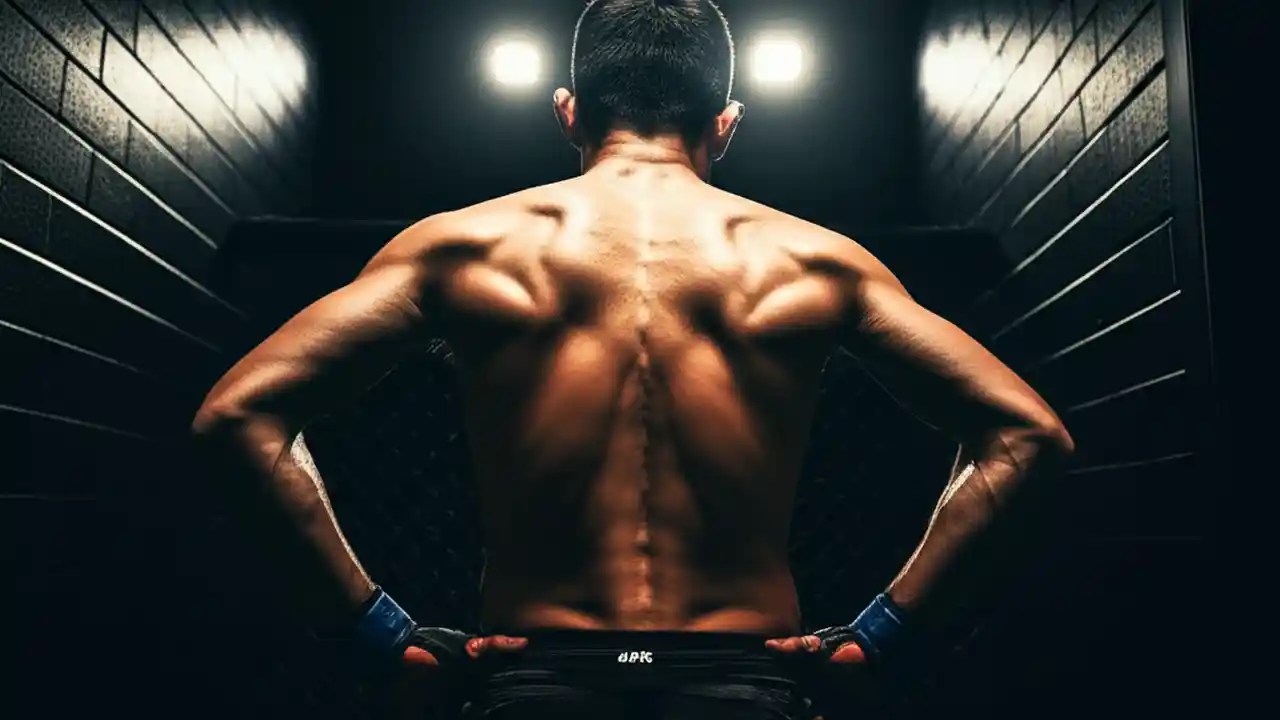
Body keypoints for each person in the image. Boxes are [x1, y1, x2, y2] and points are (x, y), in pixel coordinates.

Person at [191, 0, 1075, 717]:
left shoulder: (464, 250)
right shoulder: (815, 262)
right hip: (744, 684)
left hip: (536, 683)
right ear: (725, 126)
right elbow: (1028, 436)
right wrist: (880, 640)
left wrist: (381, 639)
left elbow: (237, 416)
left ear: (568, 112)